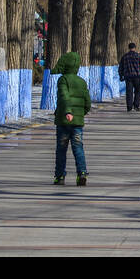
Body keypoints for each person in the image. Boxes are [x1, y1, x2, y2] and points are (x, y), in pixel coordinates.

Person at [52, 51, 91, 185]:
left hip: (64, 121)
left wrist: (68, 112)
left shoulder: (63, 80)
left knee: (62, 149)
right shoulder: (82, 82)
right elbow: (87, 103)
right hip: (78, 123)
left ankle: (60, 176)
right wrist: (80, 114)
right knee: (78, 147)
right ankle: (82, 173)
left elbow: (64, 96)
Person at [119, 42, 140, 112]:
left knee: (129, 92)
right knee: (137, 91)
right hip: (137, 76)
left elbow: (121, 67)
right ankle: (136, 105)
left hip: (128, 77)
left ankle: (129, 107)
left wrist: (121, 75)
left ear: (129, 48)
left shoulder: (124, 56)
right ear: (134, 48)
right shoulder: (138, 56)